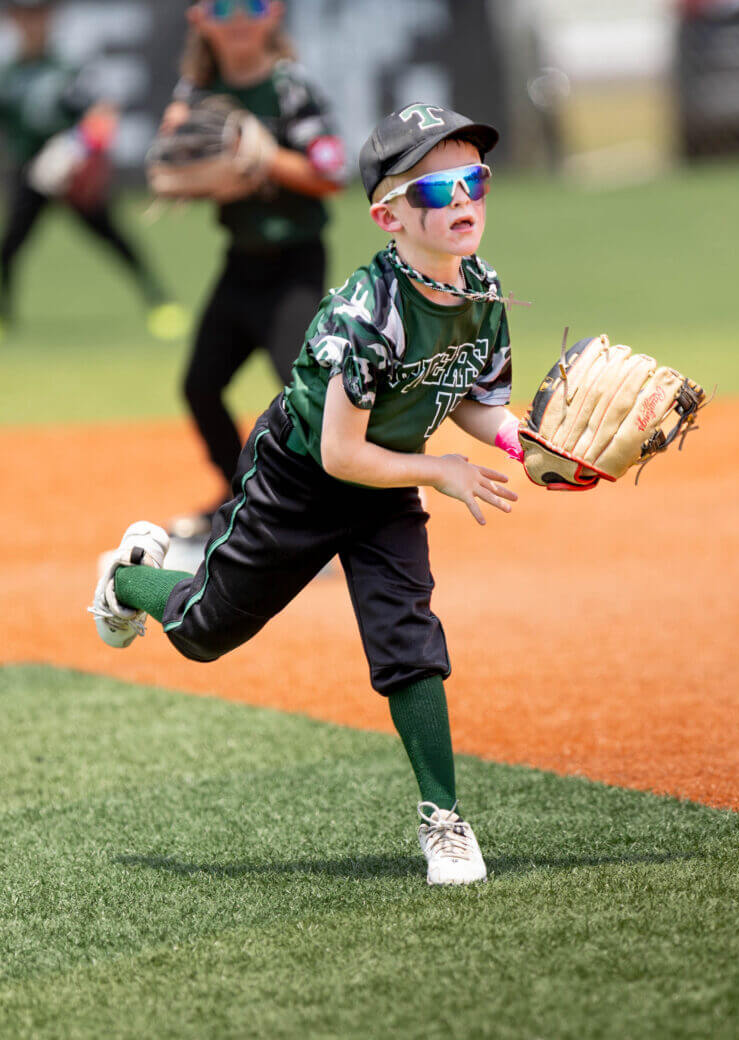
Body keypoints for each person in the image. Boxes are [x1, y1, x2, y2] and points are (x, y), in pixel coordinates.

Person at [90, 103, 528, 886]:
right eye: (435, 190)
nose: (462, 200)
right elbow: (340, 452)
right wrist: (443, 472)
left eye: (474, 180)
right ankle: (127, 576)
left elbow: (466, 393)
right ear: (388, 216)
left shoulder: (483, 291)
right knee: (202, 629)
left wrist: (518, 439)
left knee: (408, 639)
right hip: (301, 479)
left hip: (385, 484)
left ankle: (444, 821)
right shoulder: (365, 315)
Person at [161, 0, 346, 538]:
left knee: (304, 394)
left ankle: (324, 524)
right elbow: (169, 170)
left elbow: (329, 174)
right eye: (222, 7)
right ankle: (239, 499)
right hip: (240, 264)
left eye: (254, 4)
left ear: (275, 15)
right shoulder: (195, 92)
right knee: (201, 386)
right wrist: (184, 159)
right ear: (199, 19)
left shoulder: (291, 88)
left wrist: (265, 157)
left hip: (295, 264)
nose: (238, 16)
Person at [0, 0, 185, 341]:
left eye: (39, 15)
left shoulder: (65, 71)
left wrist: (74, 151)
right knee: (10, 246)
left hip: (72, 177)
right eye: (25, 16)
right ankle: (5, 315)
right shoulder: (10, 75)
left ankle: (159, 301)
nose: (32, 23)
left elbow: (102, 115)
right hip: (28, 174)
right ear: (14, 21)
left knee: (114, 238)